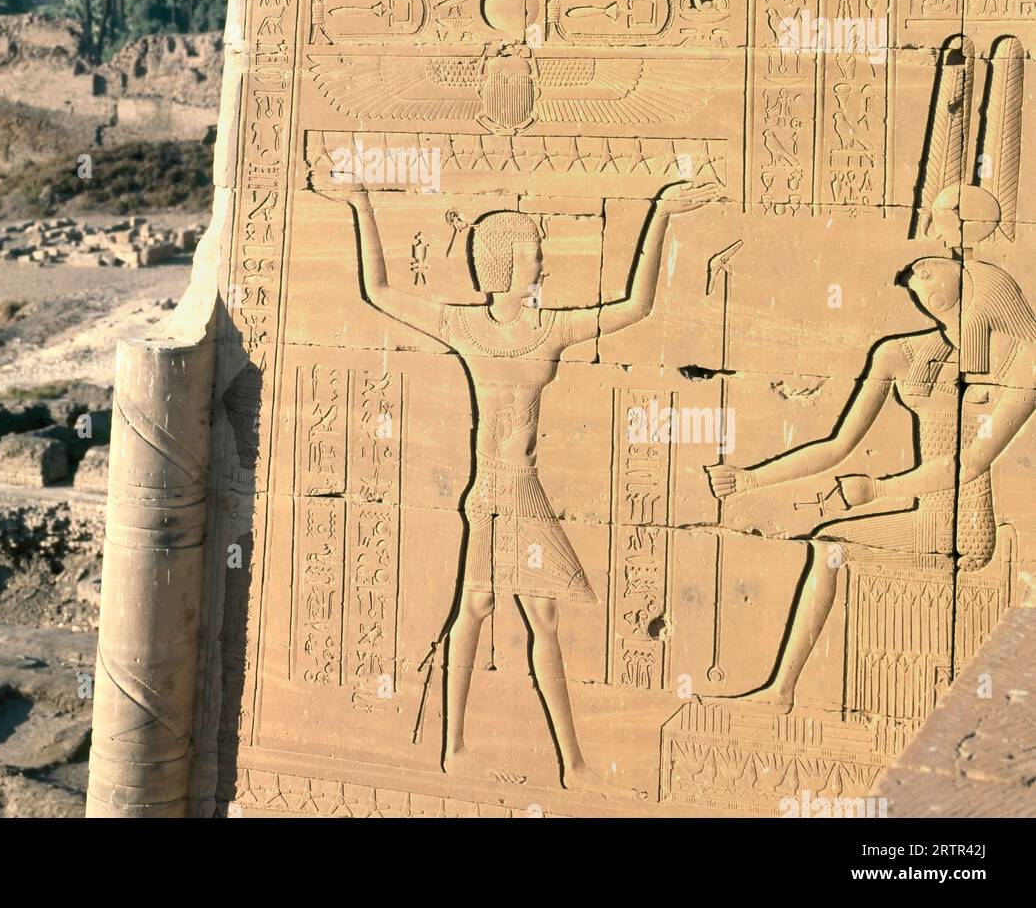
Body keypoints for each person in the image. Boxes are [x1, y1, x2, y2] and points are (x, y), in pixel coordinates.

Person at [315, 173, 715, 787]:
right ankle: (455, 750)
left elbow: (637, 308)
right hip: (492, 496)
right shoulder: (464, 327)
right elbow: (379, 290)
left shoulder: (551, 328)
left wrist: (663, 214)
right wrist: (362, 205)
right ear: (501, 265)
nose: (542, 265)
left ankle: (573, 761)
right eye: (533, 254)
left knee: (543, 619)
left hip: (526, 491)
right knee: (475, 607)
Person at [707, 257, 1036, 713]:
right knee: (827, 542)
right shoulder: (898, 354)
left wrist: (879, 490)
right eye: (919, 275)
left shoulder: (1024, 362)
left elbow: (967, 466)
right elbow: (839, 444)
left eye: (933, 271)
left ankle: (781, 693)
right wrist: (751, 479)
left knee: (830, 545)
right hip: (921, 511)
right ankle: (781, 692)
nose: (920, 278)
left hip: (962, 528)